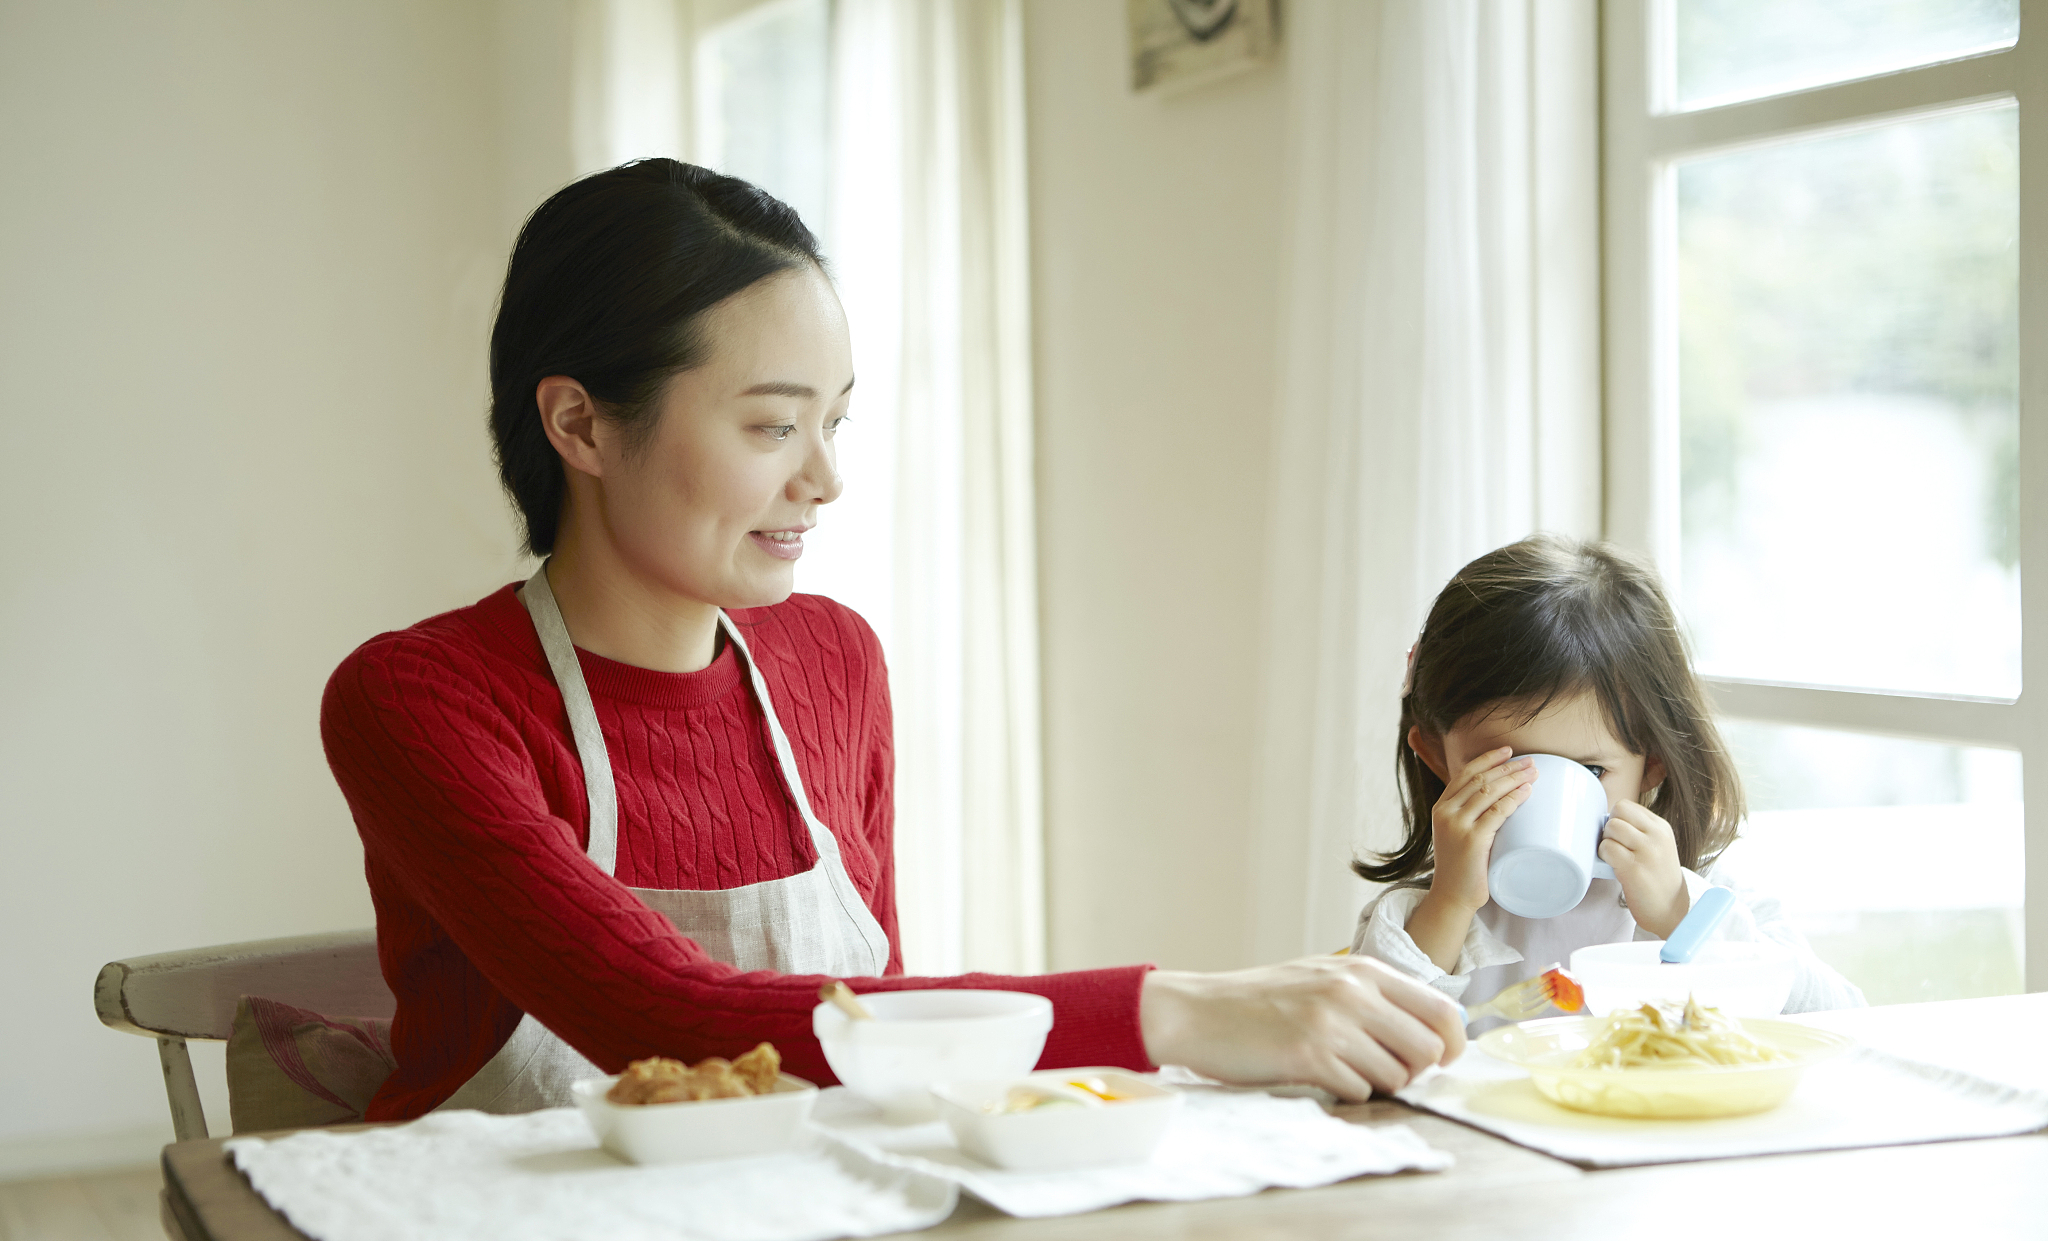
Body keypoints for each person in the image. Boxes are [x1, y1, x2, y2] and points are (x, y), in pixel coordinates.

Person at [321, 159, 1463, 1120]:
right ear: (579, 423)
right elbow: (660, 1018)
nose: (823, 479)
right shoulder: (417, 699)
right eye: (772, 424)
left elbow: (876, 1034)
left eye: (834, 420)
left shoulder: (832, 660)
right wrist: (1178, 1010)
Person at [1350, 535, 1863, 1023]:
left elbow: (1841, 1021)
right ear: (1440, 759)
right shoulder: (1419, 917)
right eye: (1505, 768)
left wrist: (1683, 916)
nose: (1540, 795)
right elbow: (1361, 1042)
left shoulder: (1706, 896)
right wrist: (1449, 904)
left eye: (1591, 771)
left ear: (1654, 762)